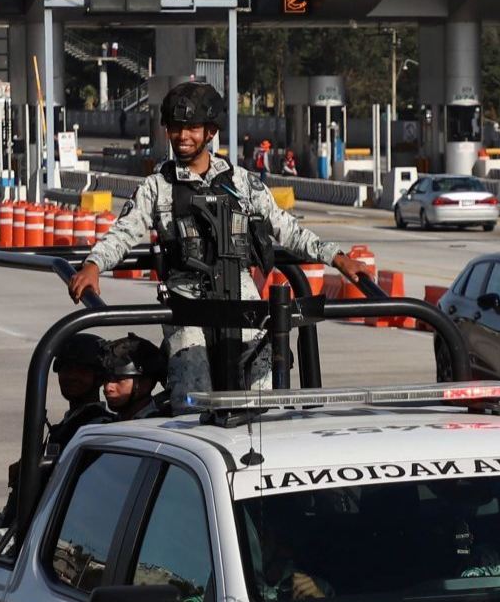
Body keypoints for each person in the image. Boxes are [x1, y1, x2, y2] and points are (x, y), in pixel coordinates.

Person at [65, 81, 370, 402]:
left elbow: (287, 229)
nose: (183, 137)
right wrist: (93, 264)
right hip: (186, 305)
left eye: (193, 128)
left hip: (243, 302)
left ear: (210, 131)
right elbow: (124, 232)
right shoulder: (157, 187)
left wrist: (337, 258)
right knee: (192, 390)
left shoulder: (241, 182)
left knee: (264, 391)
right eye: (176, 128)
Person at [0, 334, 110, 547]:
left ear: (100, 377)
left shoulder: (96, 427)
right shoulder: (68, 424)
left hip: (56, 525)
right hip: (26, 516)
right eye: (66, 369)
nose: (72, 376)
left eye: (82, 371)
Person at [100, 334, 170, 420]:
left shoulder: (157, 423)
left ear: (145, 384)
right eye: (106, 378)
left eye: (119, 380)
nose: (108, 388)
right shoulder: (106, 422)